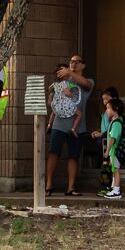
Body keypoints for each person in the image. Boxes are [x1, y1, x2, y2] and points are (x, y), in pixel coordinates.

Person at [47, 56, 92, 198]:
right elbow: (52, 98)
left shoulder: (87, 81)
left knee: (73, 156)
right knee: (53, 152)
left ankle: (71, 188)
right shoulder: (62, 81)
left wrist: (70, 73)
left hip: (78, 127)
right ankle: (48, 184)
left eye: (77, 61)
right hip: (58, 124)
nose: (73, 63)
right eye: (71, 61)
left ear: (83, 66)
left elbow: (87, 85)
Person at [96, 88, 125, 198]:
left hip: (114, 151)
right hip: (113, 152)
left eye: (109, 108)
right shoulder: (115, 122)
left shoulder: (116, 123)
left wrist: (107, 150)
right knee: (114, 170)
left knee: (115, 171)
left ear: (116, 109)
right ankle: (114, 188)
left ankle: (116, 190)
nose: (107, 111)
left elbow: (112, 139)